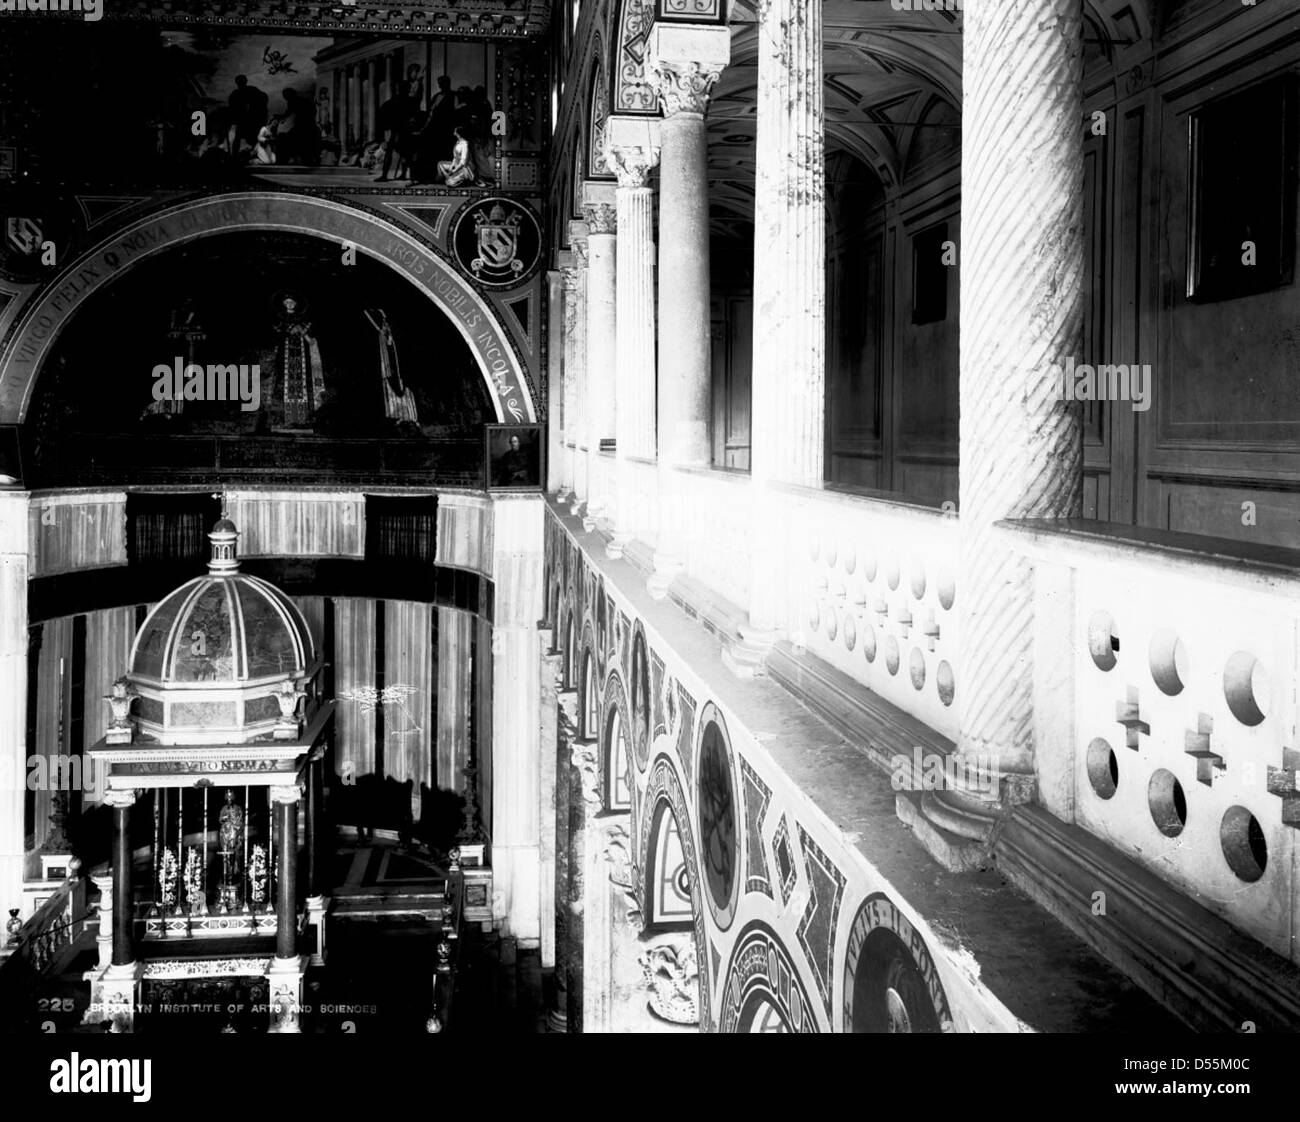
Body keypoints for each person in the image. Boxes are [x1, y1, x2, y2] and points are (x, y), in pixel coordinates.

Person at [363, 307, 420, 427]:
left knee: (402, 388)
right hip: (390, 371)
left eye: (387, 324)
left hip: (399, 373)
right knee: (391, 388)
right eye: (384, 324)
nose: (386, 326)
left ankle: (409, 416)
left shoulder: (393, 339)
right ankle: (398, 416)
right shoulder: (380, 336)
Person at [227, 75, 269, 155]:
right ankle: (235, 156)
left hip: (252, 119)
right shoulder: (236, 93)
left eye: (242, 81)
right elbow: (232, 108)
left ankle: (260, 154)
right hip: (243, 120)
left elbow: (263, 100)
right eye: (239, 81)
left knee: (251, 138)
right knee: (239, 137)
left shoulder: (252, 90)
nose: (240, 83)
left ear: (245, 81)